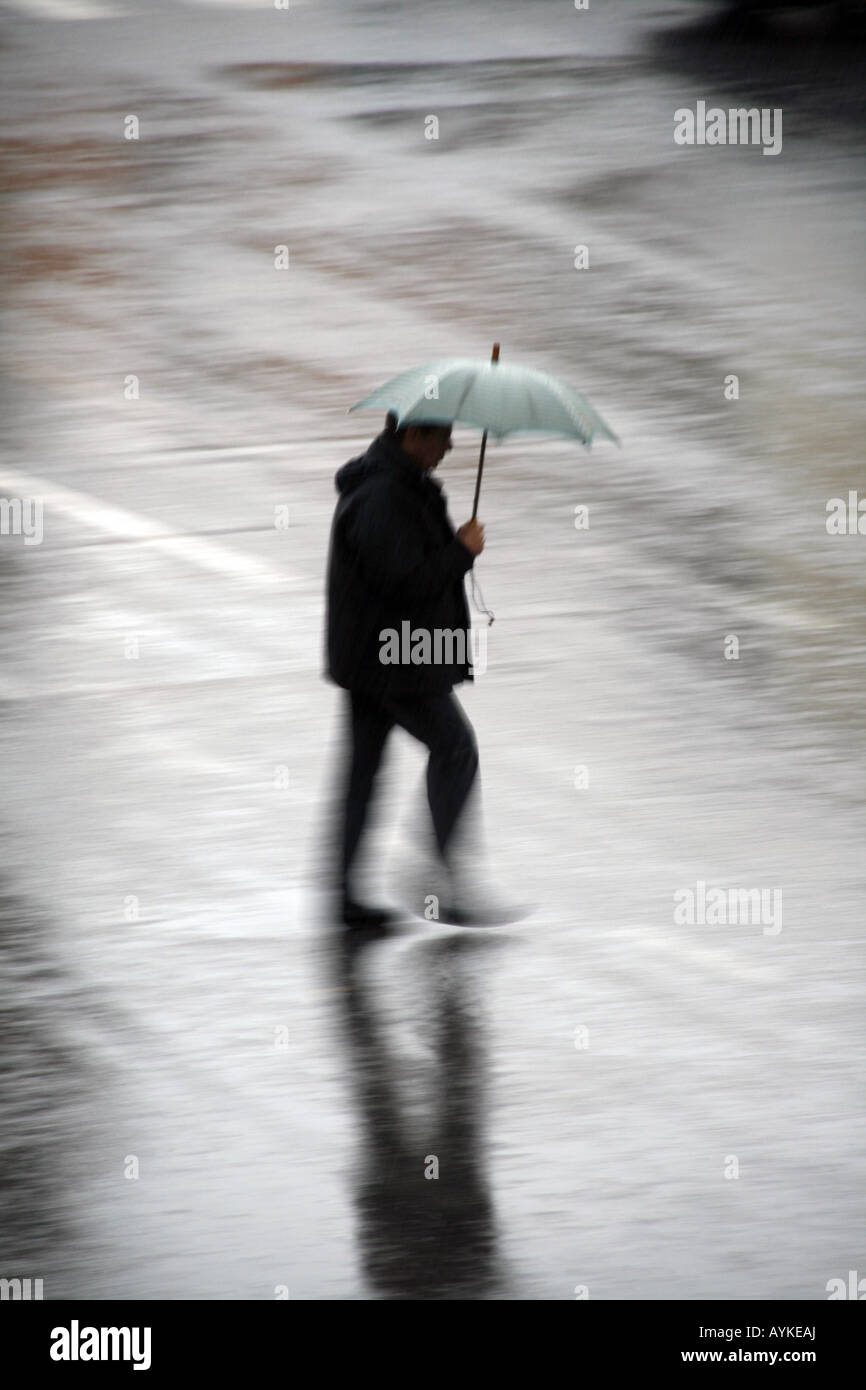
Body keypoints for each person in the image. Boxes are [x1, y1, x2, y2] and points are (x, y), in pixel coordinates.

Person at [324, 413, 485, 928]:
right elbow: (404, 584)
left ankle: (346, 899)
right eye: (442, 437)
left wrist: (455, 550)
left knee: (363, 776)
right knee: (454, 746)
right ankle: (436, 879)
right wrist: (461, 552)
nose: (451, 447)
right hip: (392, 656)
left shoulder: (402, 485)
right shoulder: (383, 497)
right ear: (413, 435)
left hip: (377, 654)